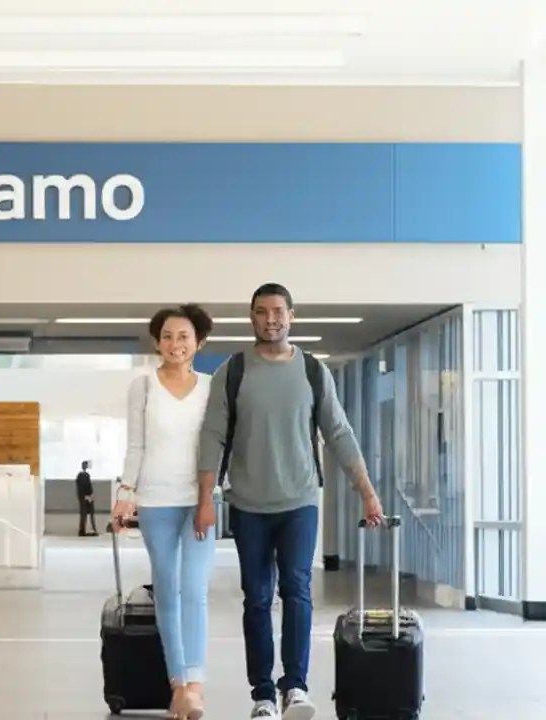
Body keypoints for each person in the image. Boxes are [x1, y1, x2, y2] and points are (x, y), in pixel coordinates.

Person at [195, 283, 383, 720]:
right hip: (248, 505)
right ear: (252, 318)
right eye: (261, 312)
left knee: (297, 591)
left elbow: (339, 433)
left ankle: (294, 687)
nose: (270, 319)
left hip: (299, 502)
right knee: (257, 598)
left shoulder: (314, 371)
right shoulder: (233, 371)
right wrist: (206, 499)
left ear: (292, 316)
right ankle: (263, 694)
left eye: (278, 311)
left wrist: (368, 493)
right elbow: (212, 435)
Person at [112, 303, 216, 720]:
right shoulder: (143, 387)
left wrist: (216, 494)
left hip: (202, 501)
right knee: (168, 591)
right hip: (155, 501)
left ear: (199, 342)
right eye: (168, 336)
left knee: (195, 590)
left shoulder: (212, 387)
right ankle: (179, 684)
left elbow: (218, 447)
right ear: (157, 342)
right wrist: (126, 492)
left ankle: (196, 683)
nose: (176, 344)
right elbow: (135, 445)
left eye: (184, 336)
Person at [76, 461, 99, 536]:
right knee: (84, 514)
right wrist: (85, 496)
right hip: (84, 497)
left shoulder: (86, 475)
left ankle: (90, 529)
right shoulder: (81, 476)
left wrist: (90, 495)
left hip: (87, 497)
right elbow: (82, 488)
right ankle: (83, 530)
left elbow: (88, 487)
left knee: (89, 514)